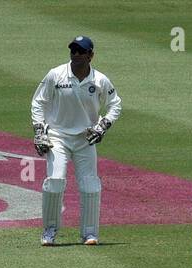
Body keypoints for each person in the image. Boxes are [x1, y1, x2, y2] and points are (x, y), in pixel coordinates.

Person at [30, 35, 122, 246]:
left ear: (91, 55)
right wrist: (39, 130)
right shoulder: (56, 75)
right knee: (55, 181)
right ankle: (49, 231)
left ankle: (89, 234)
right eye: (73, 51)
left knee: (90, 185)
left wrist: (103, 125)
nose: (76, 55)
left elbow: (116, 104)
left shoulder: (100, 80)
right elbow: (38, 103)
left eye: (81, 51)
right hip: (57, 136)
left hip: (85, 138)